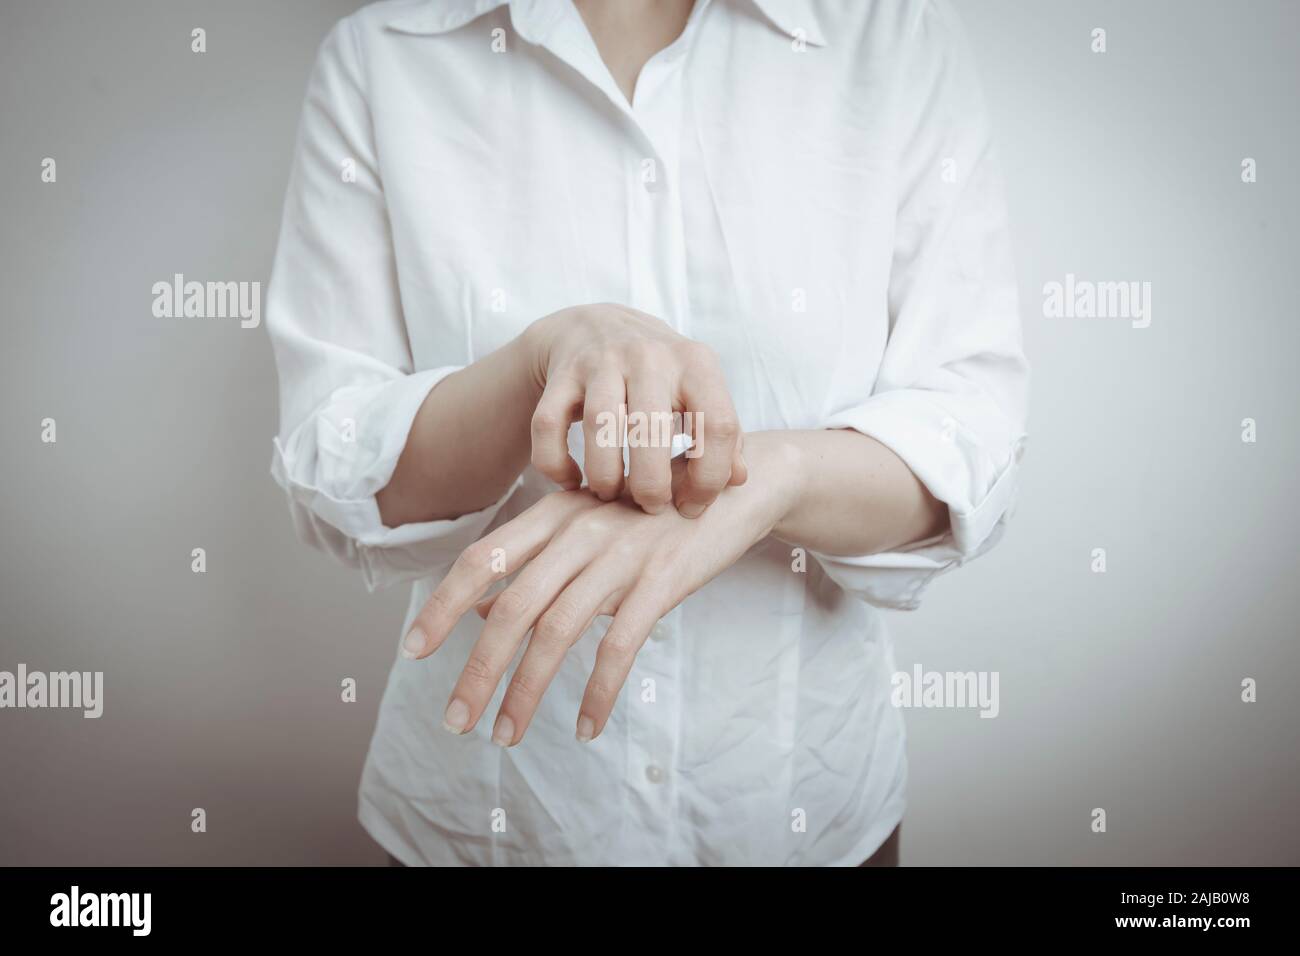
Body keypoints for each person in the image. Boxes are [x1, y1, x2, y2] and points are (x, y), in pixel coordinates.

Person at [266, 0, 1028, 866]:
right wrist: (534, 366)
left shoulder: (890, 37)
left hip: (804, 816)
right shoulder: (385, 55)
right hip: (484, 823)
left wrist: (760, 481)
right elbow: (333, 468)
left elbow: (972, 435)